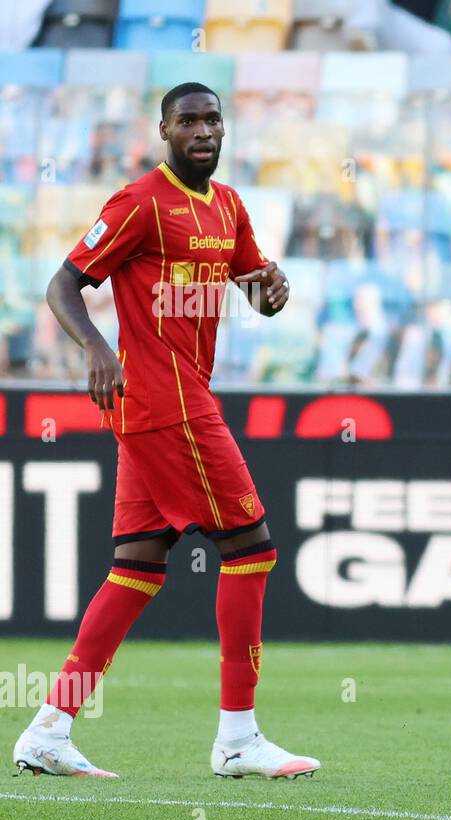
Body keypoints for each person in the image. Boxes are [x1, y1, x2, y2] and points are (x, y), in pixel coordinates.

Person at [12, 83, 319, 781]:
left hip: (173, 399)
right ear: (164, 131)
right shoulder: (140, 201)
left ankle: (49, 727)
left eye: (213, 118)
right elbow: (63, 284)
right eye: (189, 120)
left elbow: (254, 288)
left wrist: (271, 292)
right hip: (162, 399)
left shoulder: (230, 206)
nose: (203, 129)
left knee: (138, 567)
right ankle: (238, 739)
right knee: (251, 547)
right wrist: (95, 346)